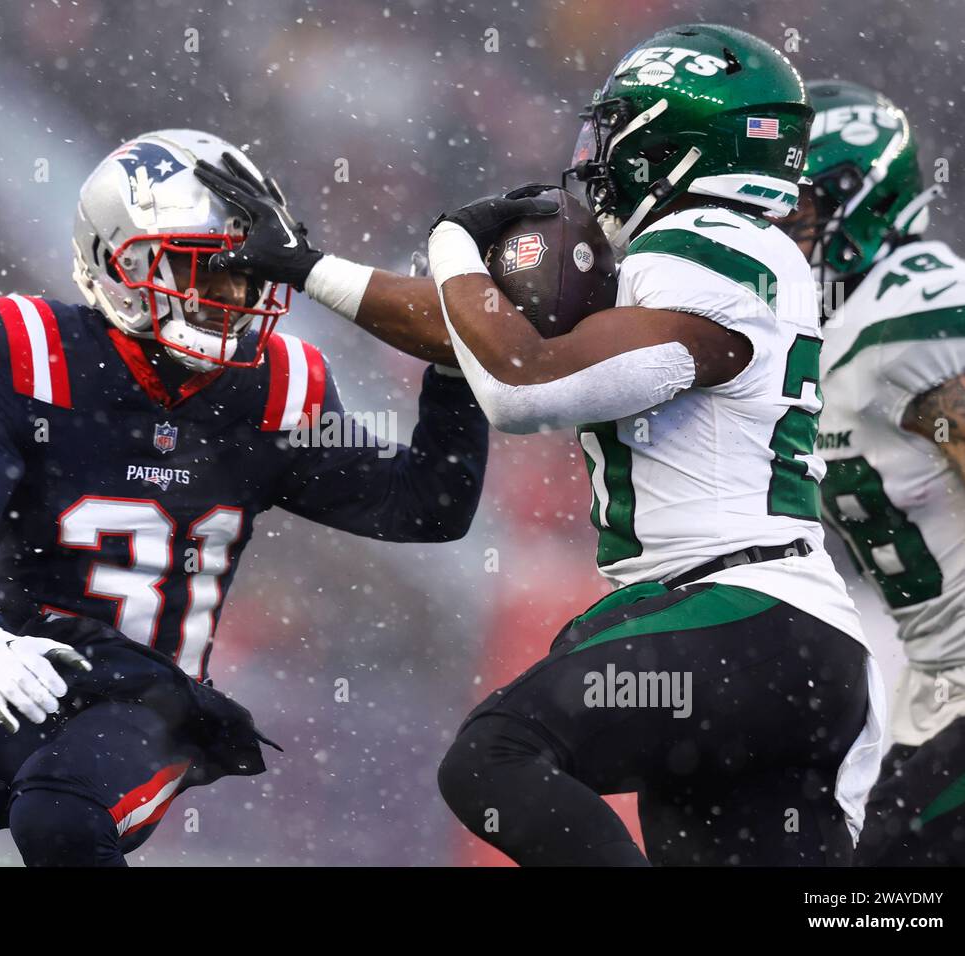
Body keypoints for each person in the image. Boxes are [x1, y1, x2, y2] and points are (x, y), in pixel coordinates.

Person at [202, 25, 885, 865]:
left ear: (667, 147)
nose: (595, 154)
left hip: (739, 620)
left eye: (618, 130)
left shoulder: (700, 248)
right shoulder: (725, 257)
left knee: (495, 758)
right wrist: (307, 268)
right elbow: (465, 332)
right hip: (779, 650)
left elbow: (521, 385)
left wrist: (455, 240)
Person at [0, 129, 488, 867]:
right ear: (117, 261)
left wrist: (455, 371)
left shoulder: (270, 390)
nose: (232, 297)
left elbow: (428, 506)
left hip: (147, 704)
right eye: (205, 270)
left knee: (60, 815)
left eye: (245, 276)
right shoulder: (34, 356)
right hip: (11, 675)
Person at [786, 80, 965, 866]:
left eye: (793, 215)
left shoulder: (913, 318)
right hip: (933, 697)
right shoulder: (834, 332)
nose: (772, 238)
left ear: (858, 205)